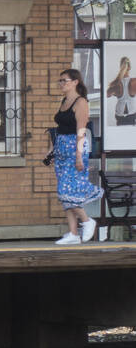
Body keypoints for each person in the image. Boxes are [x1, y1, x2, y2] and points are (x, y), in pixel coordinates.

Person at [53, 68, 102, 245]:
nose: (61, 84)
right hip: (62, 148)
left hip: (75, 147)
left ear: (75, 82)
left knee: (66, 191)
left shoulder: (81, 102)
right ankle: (73, 234)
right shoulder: (64, 100)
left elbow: (81, 130)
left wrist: (79, 156)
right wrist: (52, 149)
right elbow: (60, 128)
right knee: (65, 192)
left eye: (64, 80)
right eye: (60, 81)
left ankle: (88, 221)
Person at [108, 56, 135, 126]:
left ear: (120, 67)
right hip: (132, 115)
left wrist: (115, 92)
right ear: (129, 67)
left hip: (120, 116)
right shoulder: (134, 81)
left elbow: (107, 95)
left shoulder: (116, 83)